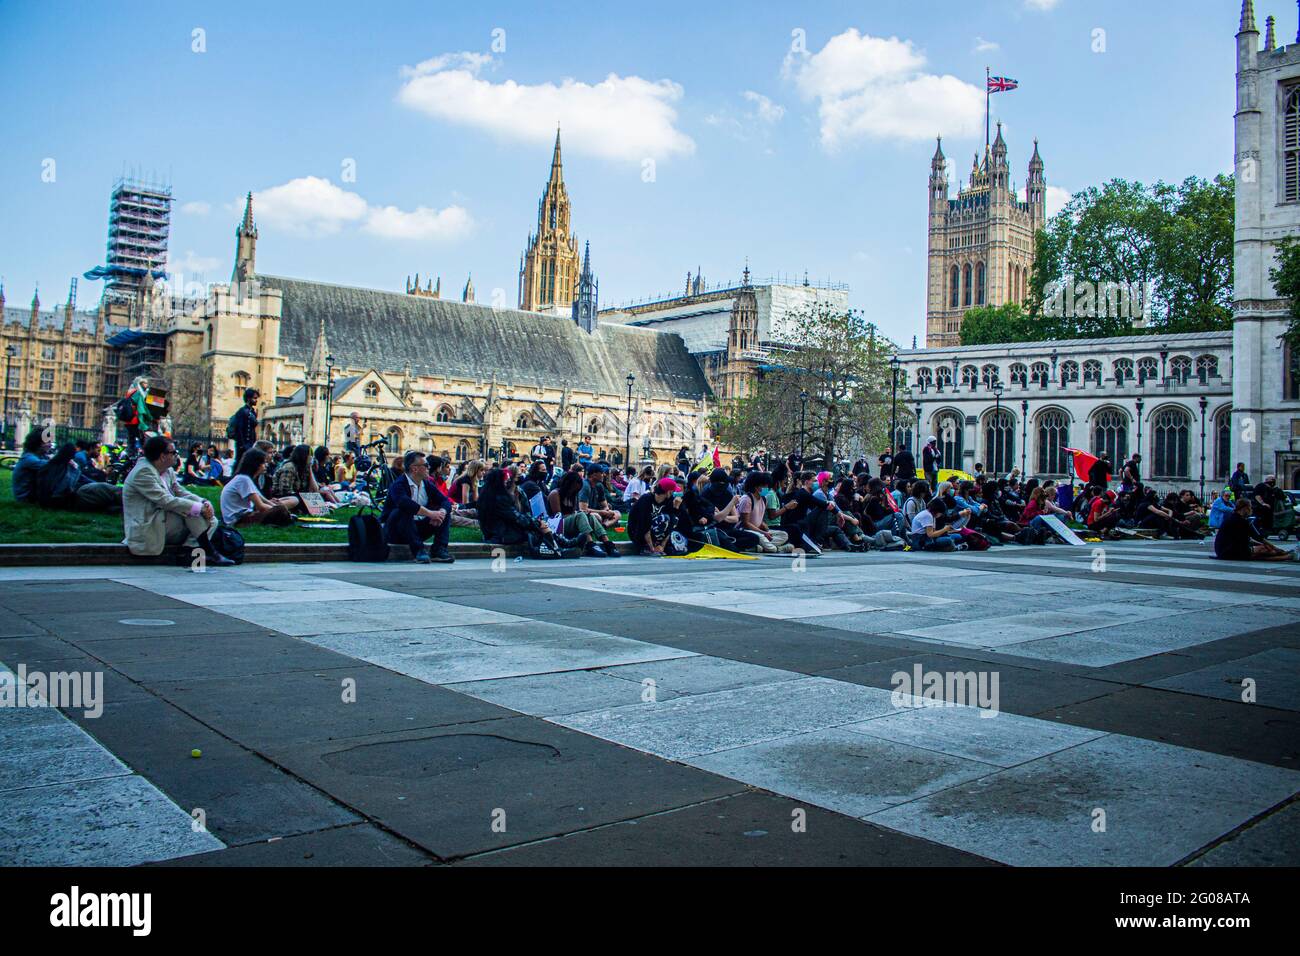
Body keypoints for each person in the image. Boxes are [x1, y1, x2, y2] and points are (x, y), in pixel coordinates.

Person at [121, 436, 232, 565]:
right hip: (148, 527)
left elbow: (180, 492)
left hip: (164, 521)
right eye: (174, 452)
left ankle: (189, 551)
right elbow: (166, 500)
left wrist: (203, 502)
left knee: (210, 519)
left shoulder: (167, 470)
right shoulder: (143, 472)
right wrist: (199, 508)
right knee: (192, 512)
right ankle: (208, 552)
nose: (176, 455)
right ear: (162, 456)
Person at [13, 428, 122, 512]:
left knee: (102, 492)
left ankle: (122, 502)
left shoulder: (41, 458)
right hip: (32, 499)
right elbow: (54, 465)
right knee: (101, 491)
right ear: (38, 443)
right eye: (47, 442)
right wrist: (66, 461)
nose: (50, 445)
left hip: (55, 494)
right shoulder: (29, 459)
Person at [380, 451, 454, 563]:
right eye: (425, 465)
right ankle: (418, 551)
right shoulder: (398, 484)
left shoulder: (427, 484)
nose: (429, 468)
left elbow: (445, 501)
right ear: (414, 469)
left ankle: (439, 549)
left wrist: (441, 512)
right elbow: (404, 503)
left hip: (417, 529)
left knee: (443, 512)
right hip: (396, 531)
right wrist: (430, 514)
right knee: (402, 511)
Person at [547, 469, 618, 557]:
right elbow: (558, 516)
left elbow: (574, 512)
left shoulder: (572, 495)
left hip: (569, 521)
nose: (575, 491)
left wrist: (582, 514)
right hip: (558, 525)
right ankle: (590, 544)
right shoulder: (555, 494)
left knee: (590, 516)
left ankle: (607, 543)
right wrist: (578, 514)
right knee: (581, 515)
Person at [220, 449, 293, 527]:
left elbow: (263, 499)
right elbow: (260, 506)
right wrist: (276, 509)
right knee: (280, 510)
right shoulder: (244, 479)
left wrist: (274, 506)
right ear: (256, 464)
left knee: (280, 508)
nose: (266, 465)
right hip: (239, 519)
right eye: (264, 463)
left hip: (241, 516)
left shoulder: (245, 478)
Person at [1215, 499, 1294, 561]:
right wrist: (1275, 548)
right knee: (1263, 550)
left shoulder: (1233, 518)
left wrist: (1267, 546)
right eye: (1250, 507)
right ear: (1244, 508)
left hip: (1223, 551)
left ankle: (1285, 555)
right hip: (1230, 551)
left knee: (1261, 551)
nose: (1251, 510)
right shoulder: (1242, 521)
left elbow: (1248, 539)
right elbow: (1258, 537)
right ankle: (1286, 556)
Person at [627, 477, 688, 555]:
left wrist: (662, 546)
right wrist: (652, 548)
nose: (674, 493)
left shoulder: (668, 501)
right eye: (673, 491)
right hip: (637, 531)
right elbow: (644, 524)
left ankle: (657, 546)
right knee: (664, 518)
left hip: (653, 532)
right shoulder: (646, 499)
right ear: (668, 492)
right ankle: (645, 547)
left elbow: (672, 523)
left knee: (673, 518)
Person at [737, 471, 790, 553]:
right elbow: (746, 523)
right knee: (766, 543)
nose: (767, 488)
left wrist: (764, 527)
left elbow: (757, 518)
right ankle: (777, 549)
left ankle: (759, 547)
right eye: (764, 485)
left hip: (758, 530)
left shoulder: (764, 499)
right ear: (756, 486)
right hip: (746, 531)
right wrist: (763, 532)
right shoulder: (747, 499)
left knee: (784, 535)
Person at [271, 444, 328, 513]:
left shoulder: (305, 468)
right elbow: (284, 490)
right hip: (284, 496)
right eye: (310, 455)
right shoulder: (289, 467)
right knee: (298, 500)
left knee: (315, 497)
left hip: (298, 495)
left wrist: (310, 469)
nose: (311, 458)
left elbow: (314, 489)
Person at [230, 388, 260, 465]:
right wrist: (242, 445)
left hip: (251, 444)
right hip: (243, 446)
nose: (256, 400)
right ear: (248, 398)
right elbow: (239, 429)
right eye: (254, 398)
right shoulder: (242, 411)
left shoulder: (252, 411)